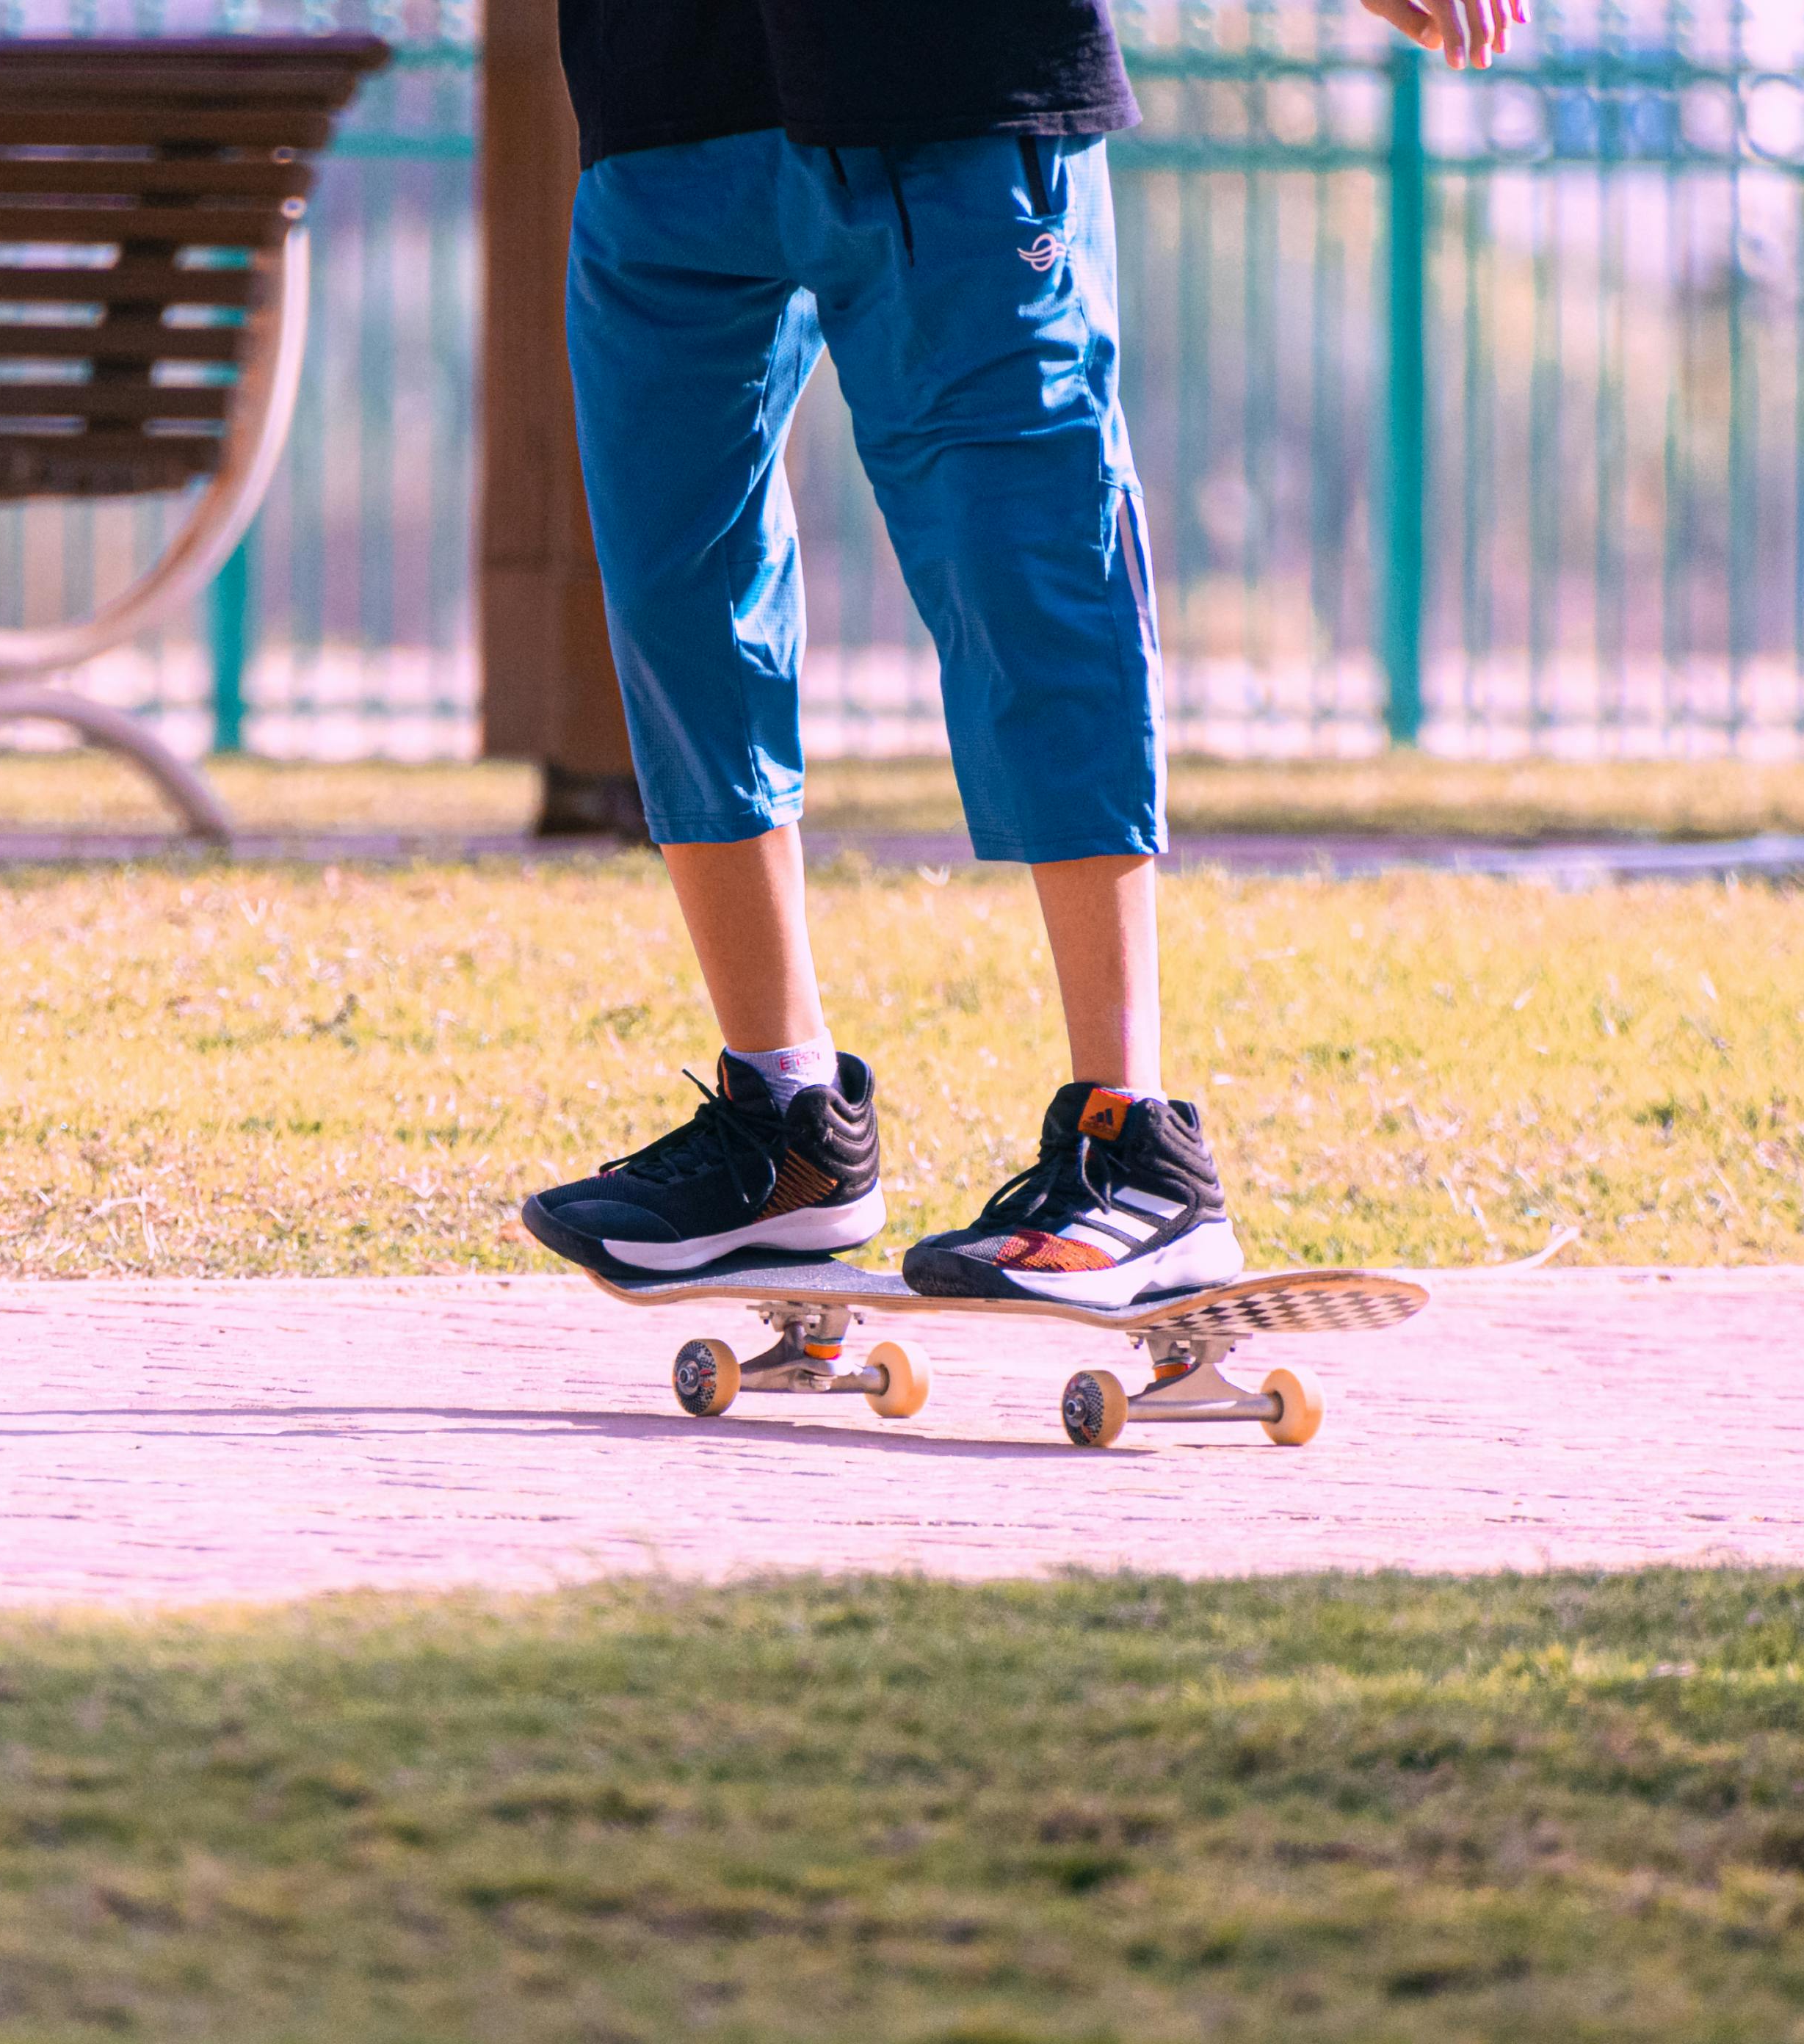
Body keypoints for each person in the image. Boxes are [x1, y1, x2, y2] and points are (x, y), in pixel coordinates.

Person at [520, 0, 1518, 1306]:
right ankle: (785, 1125)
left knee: (1027, 569)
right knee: (674, 598)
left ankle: (1136, 1149)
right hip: (659, 89)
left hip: (948, 76)